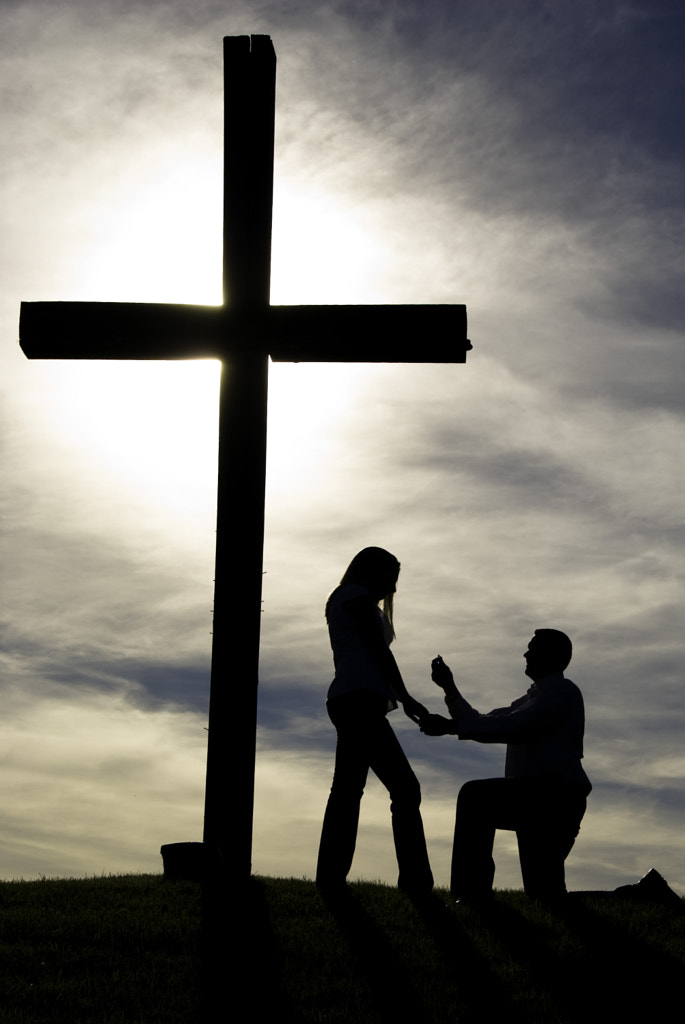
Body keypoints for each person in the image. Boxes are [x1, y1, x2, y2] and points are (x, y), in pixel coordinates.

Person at [421, 629, 591, 904]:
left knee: (475, 797)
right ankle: (640, 894)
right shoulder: (531, 700)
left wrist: (450, 727)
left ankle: (472, 894)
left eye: (532, 649)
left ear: (550, 656)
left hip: (554, 798)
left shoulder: (563, 693)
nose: (525, 654)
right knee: (545, 894)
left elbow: (510, 726)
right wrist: (449, 689)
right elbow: (484, 721)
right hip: (538, 800)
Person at [316, 547, 434, 897]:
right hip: (358, 701)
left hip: (353, 699)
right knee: (404, 788)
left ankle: (331, 877)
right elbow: (378, 651)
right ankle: (415, 882)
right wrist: (406, 697)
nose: (393, 589)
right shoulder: (353, 597)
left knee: (348, 789)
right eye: (390, 579)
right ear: (372, 573)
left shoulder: (348, 598)